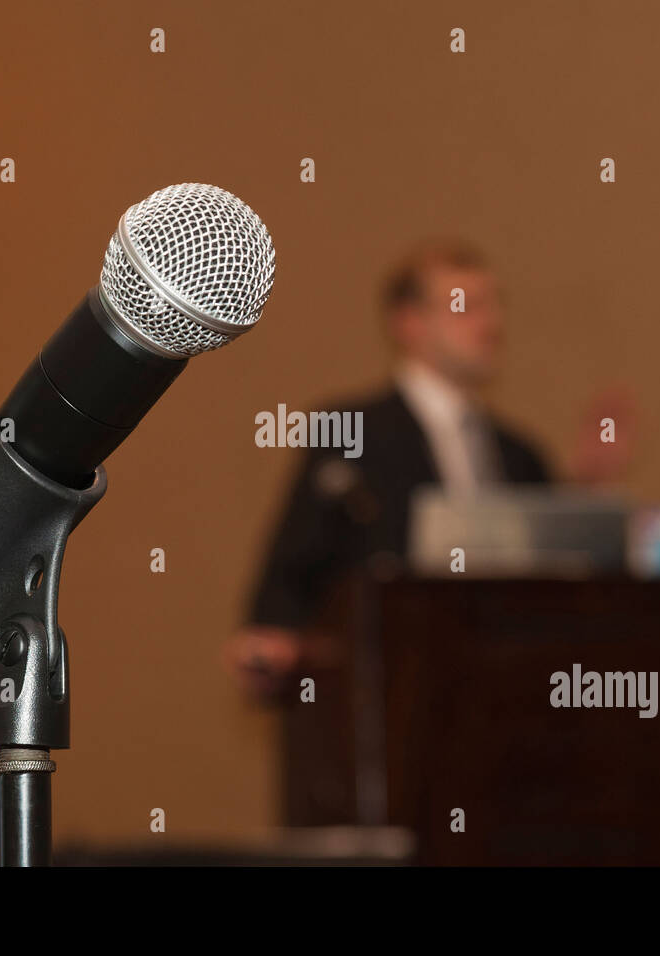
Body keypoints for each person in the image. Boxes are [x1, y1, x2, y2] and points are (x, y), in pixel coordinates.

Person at [226, 240, 627, 697]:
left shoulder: (519, 453)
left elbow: (546, 587)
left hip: (508, 702)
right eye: (467, 306)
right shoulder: (351, 434)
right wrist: (272, 639)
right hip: (393, 694)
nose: (492, 323)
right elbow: (291, 577)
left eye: (495, 304)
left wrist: (586, 491)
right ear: (409, 323)